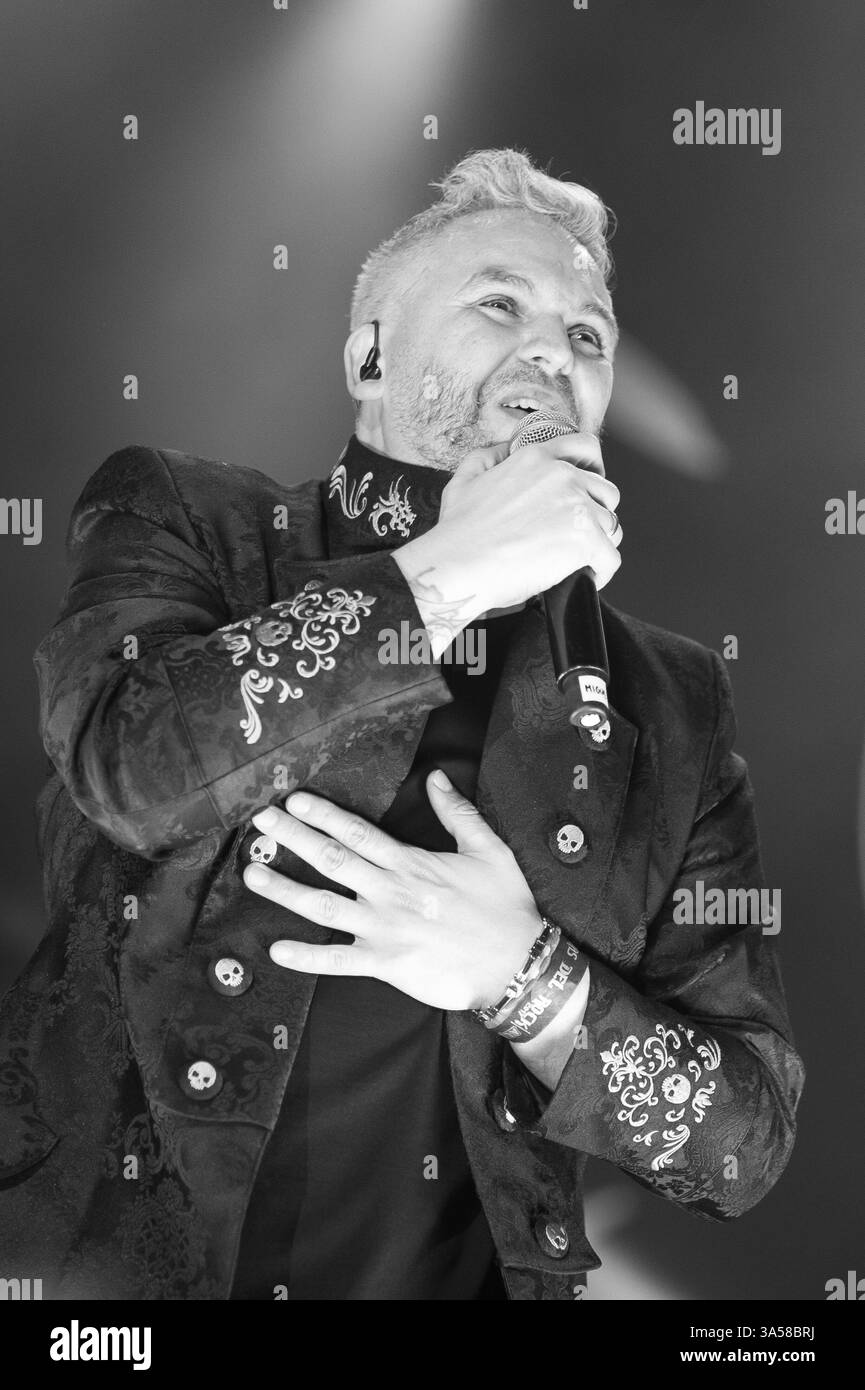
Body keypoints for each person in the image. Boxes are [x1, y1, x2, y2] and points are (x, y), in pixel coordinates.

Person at [0, 149, 803, 1301]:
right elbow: (129, 765)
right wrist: (444, 573)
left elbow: (743, 1140)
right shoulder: (185, 516)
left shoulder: (663, 697)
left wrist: (521, 976)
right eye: (497, 303)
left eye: (588, 336)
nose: (551, 351)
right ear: (368, 350)